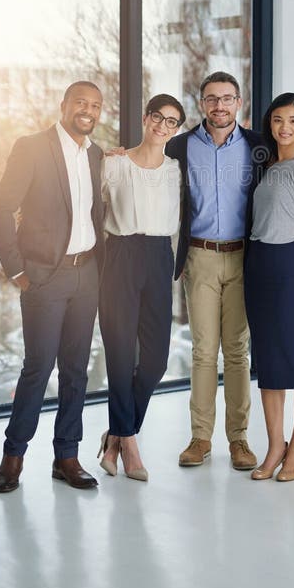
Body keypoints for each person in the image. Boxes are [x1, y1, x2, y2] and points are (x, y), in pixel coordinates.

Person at [0, 81, 105, 492]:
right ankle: (13, 457)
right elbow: (0, 208)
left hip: (86, 273)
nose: (87, 110)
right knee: (38, 368)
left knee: (76, 370)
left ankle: (67, 457)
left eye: (94, 105)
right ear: (64, 105)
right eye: (80, 102)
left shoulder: (96, 154)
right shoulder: (32, 147)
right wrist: (16, 270)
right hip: (44, 276)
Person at [166, 72, 263, 470]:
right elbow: (147, 163)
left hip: (245, 258)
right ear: (201, 103)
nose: (219, 106)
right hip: (200, 257)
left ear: (238, 102)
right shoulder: (180, 146)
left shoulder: (260, 146)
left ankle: (239, 440)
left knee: (238, 352)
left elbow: (289, 165)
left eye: (227, 98)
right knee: (204, 351)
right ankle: (200, 438)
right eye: (211, 99)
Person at [97, 94, 185, 482]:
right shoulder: (114, 164)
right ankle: (129, 444)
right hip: (120, 254)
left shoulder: (176, 170)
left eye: (172, 122)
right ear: (146, 118)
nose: (163, 127)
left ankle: (116, 434)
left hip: (157, 256)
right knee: (118, 354)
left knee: (155, 361)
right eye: (158, 118)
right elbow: (91, 206)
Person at [244, 92, 294, 482]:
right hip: (257, 266)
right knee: (269, 359)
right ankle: (275, 446)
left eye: (293, 120)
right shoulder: (268, 165)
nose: (285, 127)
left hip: (288, 266)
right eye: (278, 119)